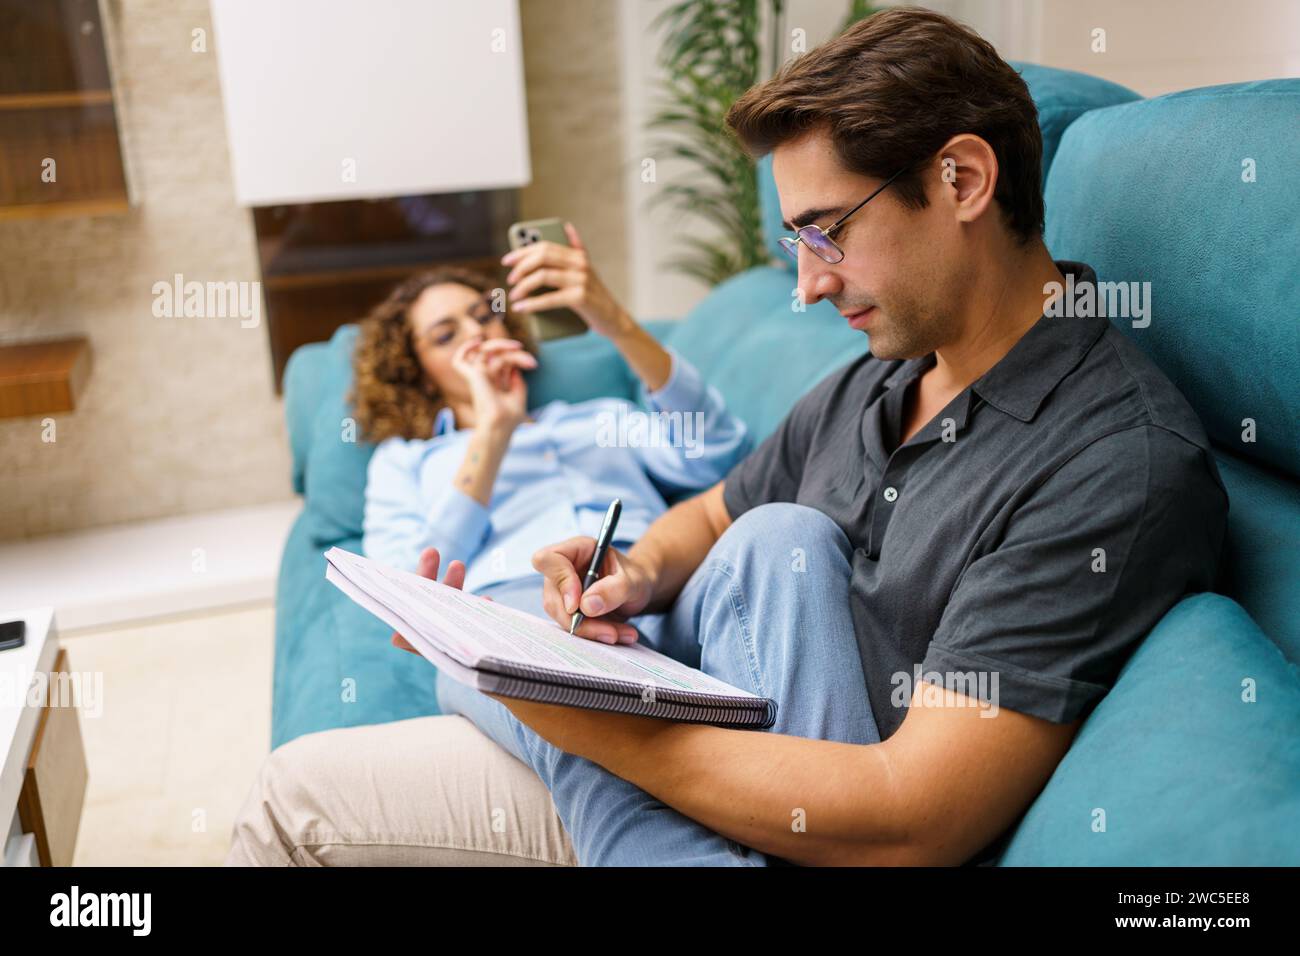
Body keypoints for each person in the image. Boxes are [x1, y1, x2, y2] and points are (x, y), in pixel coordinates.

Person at [227, 8, 1227, 867]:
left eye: (827, 231)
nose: (807, 284)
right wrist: (630, 572)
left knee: (770, 544)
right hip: (701, 711)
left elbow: (910, 817)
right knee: (329, 758)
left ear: (962, 180)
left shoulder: (1112, 461)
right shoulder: (877, 379)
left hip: (789, 803)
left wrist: (588, 724)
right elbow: (710, 511)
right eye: (794, 242)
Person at [350, 225, 749, 622]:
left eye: (484, 316)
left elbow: (717, 453)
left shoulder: (602, 417)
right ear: (416, 371)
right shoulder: (405, 460)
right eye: (445, 336)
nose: (475, 333)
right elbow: (407, 584)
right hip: (515, 608)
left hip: (648, 588)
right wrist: (493, 432)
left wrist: (617, 324)